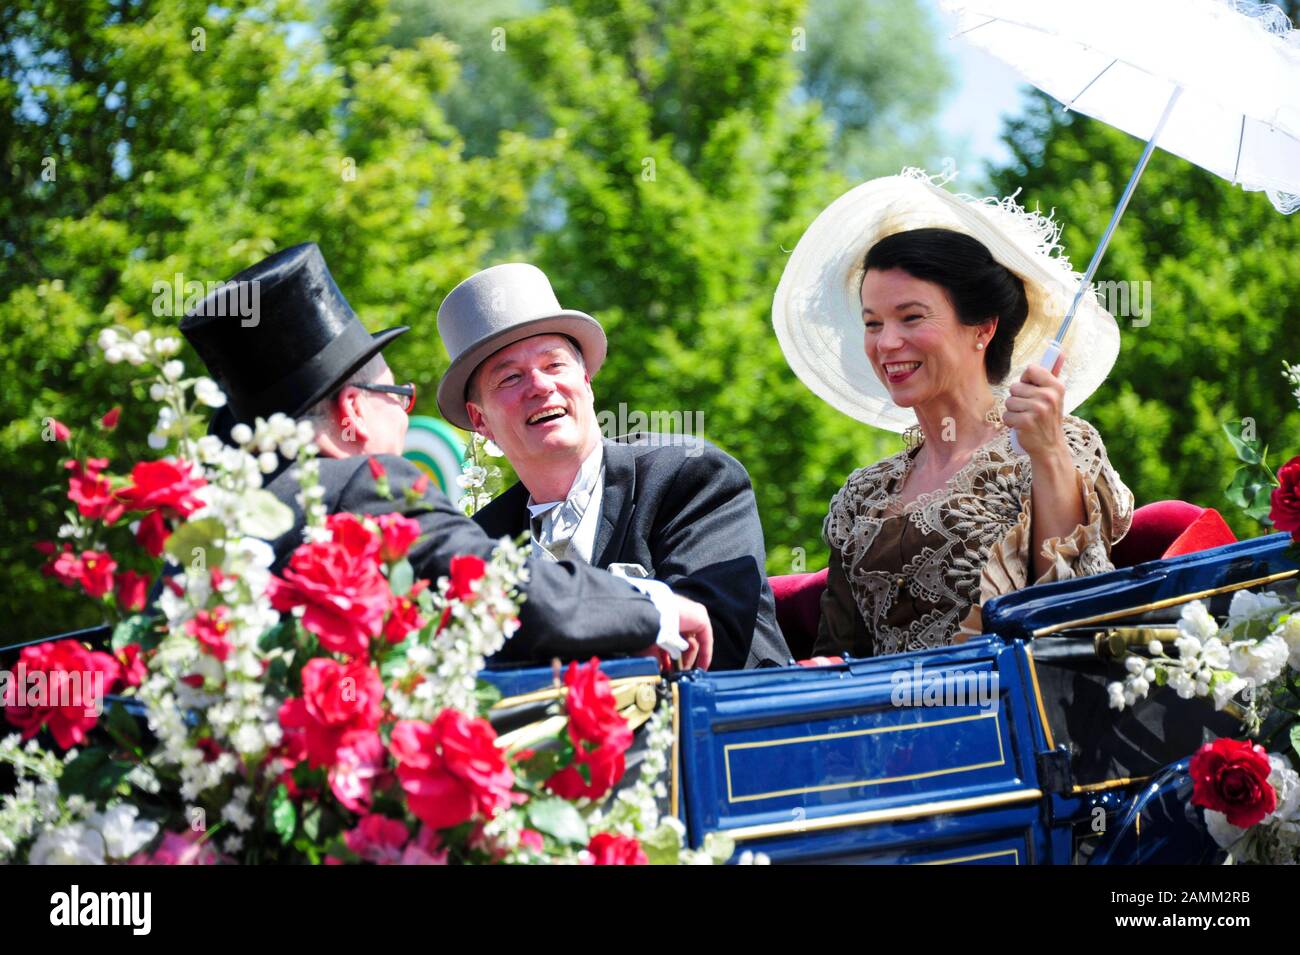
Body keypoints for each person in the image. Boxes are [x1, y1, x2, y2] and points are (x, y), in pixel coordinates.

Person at [179, 243, 713, 668]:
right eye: (396, 396)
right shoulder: (365, 485)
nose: (405, 416)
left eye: (554, 366)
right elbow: (496, 588)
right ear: (353, 413)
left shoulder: (214, 522)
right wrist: (656, 609)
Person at [771, 170, 1134, 657]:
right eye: (872, 323)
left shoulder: (1062, 444)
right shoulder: (863, 494)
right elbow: (841, 650)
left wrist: (1047, 453)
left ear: (982, 328)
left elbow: (1071, 612)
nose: (886, 343)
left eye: (911, 317)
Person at [436, 263, 789, 670]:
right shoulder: (483, 542)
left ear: (586, 380)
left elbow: (707, 641)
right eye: (511, 378)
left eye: (554, 365)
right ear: (479, 420)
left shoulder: (692, 478)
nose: (540, 385)